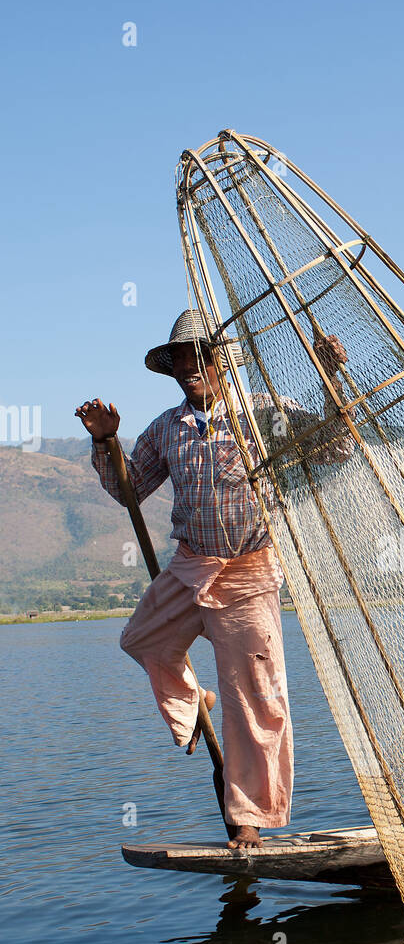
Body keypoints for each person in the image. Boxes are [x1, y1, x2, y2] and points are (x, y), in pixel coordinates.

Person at [75, 310, 353, 848]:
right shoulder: (166, 428)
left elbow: (335, 447)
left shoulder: (262, 413)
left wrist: (331, 377)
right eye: (181, 358)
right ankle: (193, 700)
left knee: (254, 699)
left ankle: (247, 819)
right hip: (189, 566)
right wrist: (105, 444)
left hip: (247, 573)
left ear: (222, 360)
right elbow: (130, 493)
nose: (190, 366)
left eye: (201, 355)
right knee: (143, 639)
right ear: (173, 368)